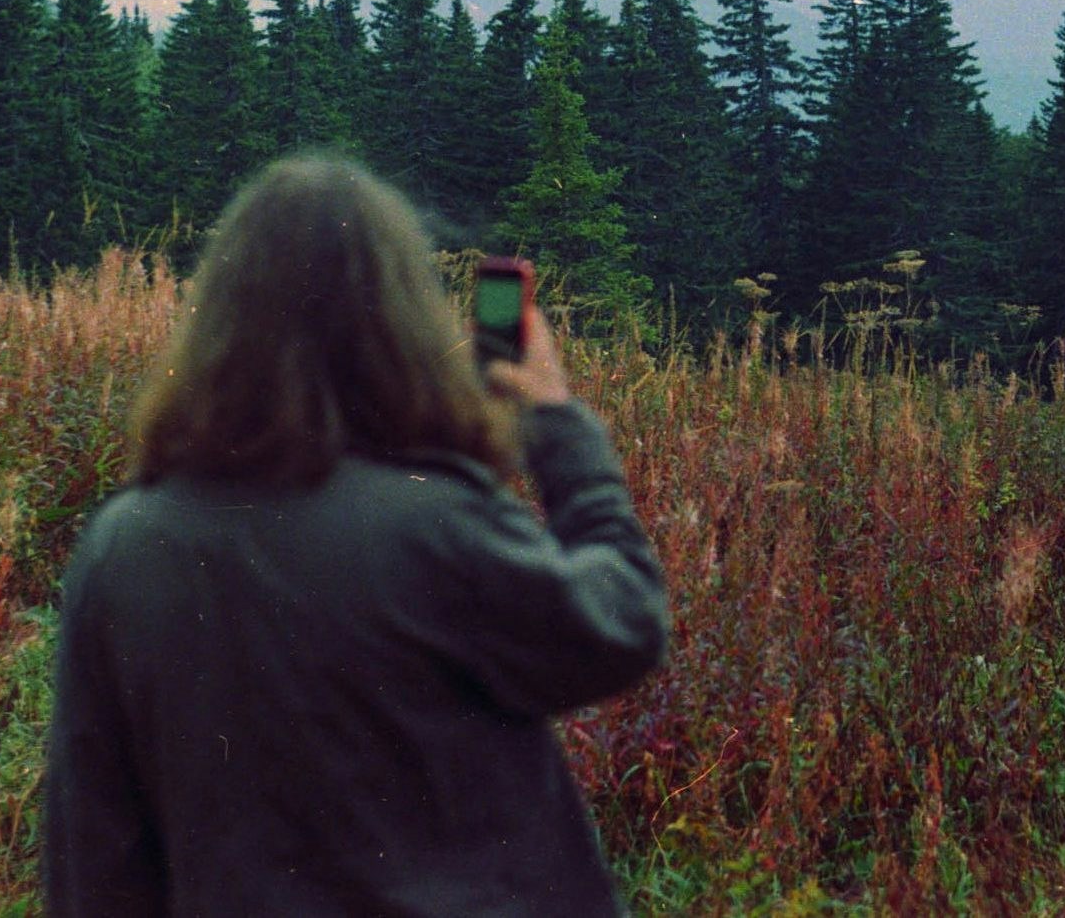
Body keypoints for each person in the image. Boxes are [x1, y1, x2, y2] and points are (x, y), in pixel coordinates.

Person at [43, 155, 668, 916]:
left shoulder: (123, 545)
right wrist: (557, 422)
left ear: (217, 321)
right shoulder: (434, 525)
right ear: (404, 325)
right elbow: (623, 622)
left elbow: (93, 857)